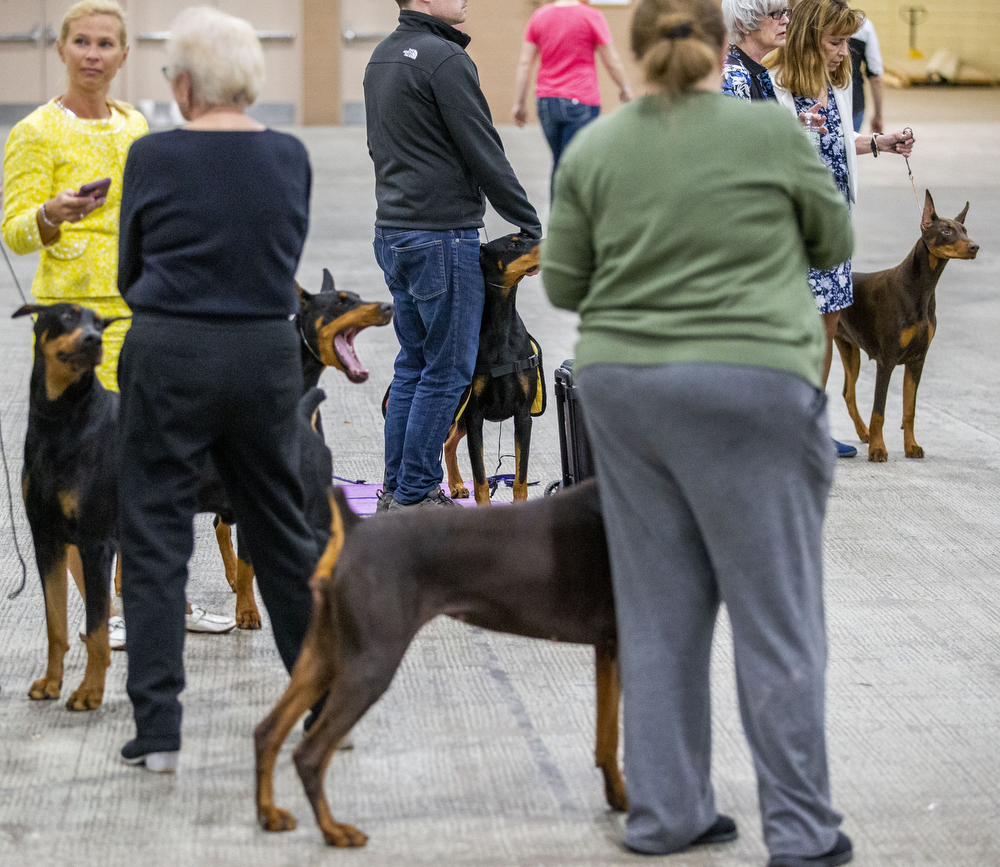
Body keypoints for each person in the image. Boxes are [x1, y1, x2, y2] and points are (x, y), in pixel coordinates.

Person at [542, 0, 857, 863]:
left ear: (636, 52)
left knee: (658, 614)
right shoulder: (774, 133)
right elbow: (832, 238)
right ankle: (801, 832)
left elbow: (564, 283)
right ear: (724, 48)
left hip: (627, 392)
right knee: (776, 616)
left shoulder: (596, 147)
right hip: (754, 387)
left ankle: (666, 814)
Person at [115, 5, 318, 772]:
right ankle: (322, 704)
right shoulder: (290, 155)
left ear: (186, 84)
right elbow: (284, 254)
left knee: (156, 529)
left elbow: (129, 269)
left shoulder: (153, 155)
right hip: (265, 350)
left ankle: (158, 730)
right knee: (279, 529)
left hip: (170, 347)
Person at [1, 0, 233, 644]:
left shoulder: (136, 126)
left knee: (155, 466)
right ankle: (102, 616)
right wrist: (49, 214)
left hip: (141, 316)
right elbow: (14, 232)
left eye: (106, 43)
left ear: (125, 55)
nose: (93, 54)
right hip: (71, 333)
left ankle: (161, 600)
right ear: (61, 49)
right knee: (80, 478)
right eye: (82, 41)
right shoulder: (34, 132)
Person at [365, 0, 541, 512]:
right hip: (441, 238)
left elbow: (381, 147)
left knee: (413, 365)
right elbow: (483, 150)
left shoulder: (382, 55)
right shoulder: (445, 59)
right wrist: (528, 223)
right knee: (446, 372)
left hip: (394, 232)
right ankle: (416, 495)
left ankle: (395, 493)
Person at [767, 0, 913, 458]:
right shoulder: (773, 82)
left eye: (847, 41)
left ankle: (811, 426)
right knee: (791, 328)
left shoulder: (837, 83)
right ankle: (781, 426)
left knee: (827, 324)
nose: (843, 51)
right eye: (835, 42)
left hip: (832, 225)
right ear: (808, 38)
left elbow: (840, 140)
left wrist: (880, 143)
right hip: (792, 226)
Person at [511, 0, 632, 198]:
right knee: (573, 165)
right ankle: (571, 215)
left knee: (561, 162)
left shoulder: (539, 16)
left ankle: (558, 214)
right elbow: (611, 60)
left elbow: (525, 63)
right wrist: (624, 88)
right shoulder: (591, 16)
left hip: (546, 102)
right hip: (580, 101)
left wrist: (519, 104)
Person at [721, 0, 789, 100]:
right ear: (743, 25)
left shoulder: (756, 69)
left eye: (784, 12)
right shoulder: (733, 76)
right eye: (774, 13)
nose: (786, 20)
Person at [849, 16, 884, 133]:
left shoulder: (811, 19)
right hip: (853, 103)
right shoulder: (863, 25)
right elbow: (875, 74)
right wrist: (878, 116)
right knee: (851, 143)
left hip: (815, 106)